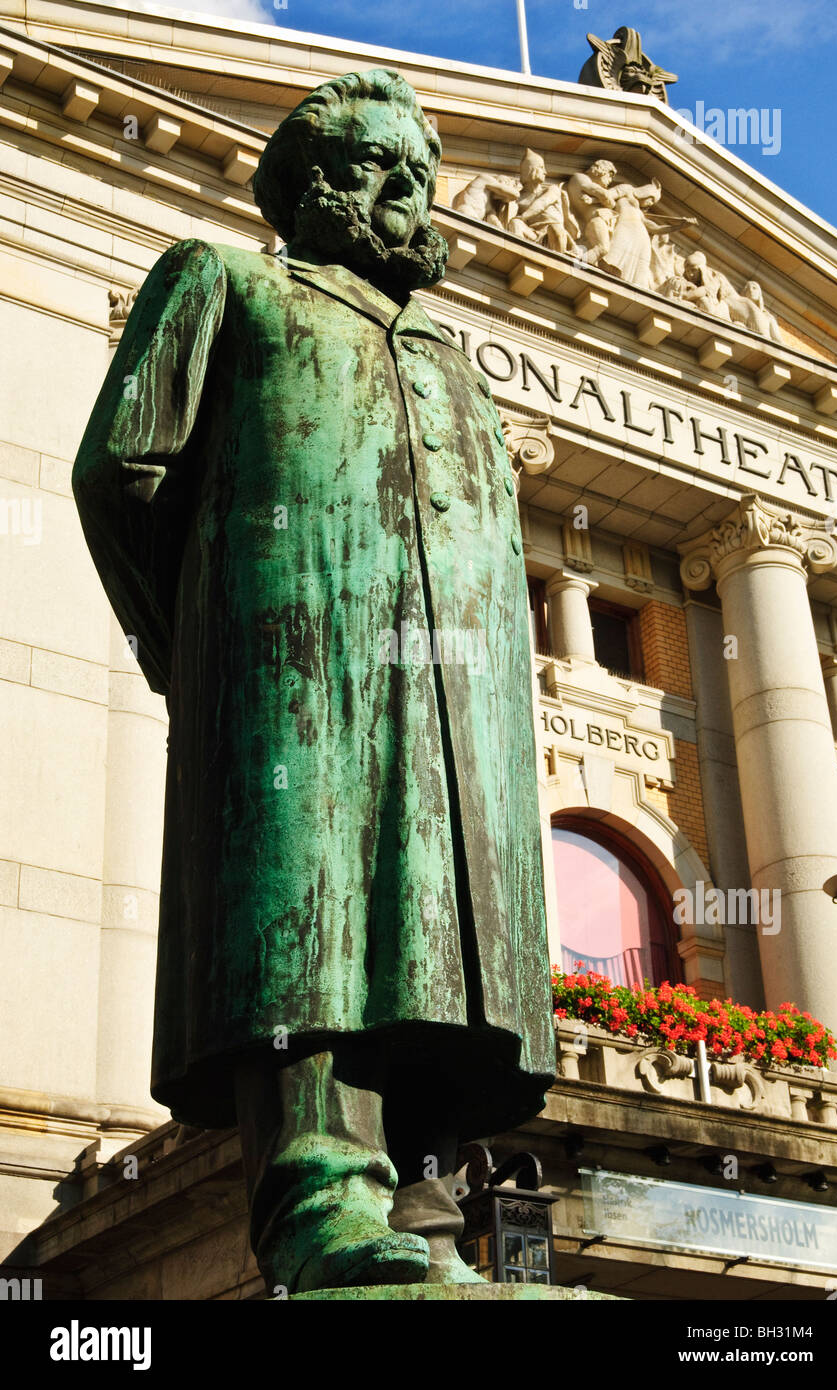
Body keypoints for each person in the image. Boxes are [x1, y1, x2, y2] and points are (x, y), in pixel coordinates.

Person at [72, 68, 555, 1296]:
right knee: (309, 930)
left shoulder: (447, 350)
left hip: (449, 699)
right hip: (292, 670)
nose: (409, 192)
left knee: (428, 937)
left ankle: (421, 1201)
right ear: (315, 188)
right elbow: (120, 469)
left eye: (418, 172)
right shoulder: (223, 281)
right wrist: (199, 647)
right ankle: (314, 1196)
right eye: (379, 168)